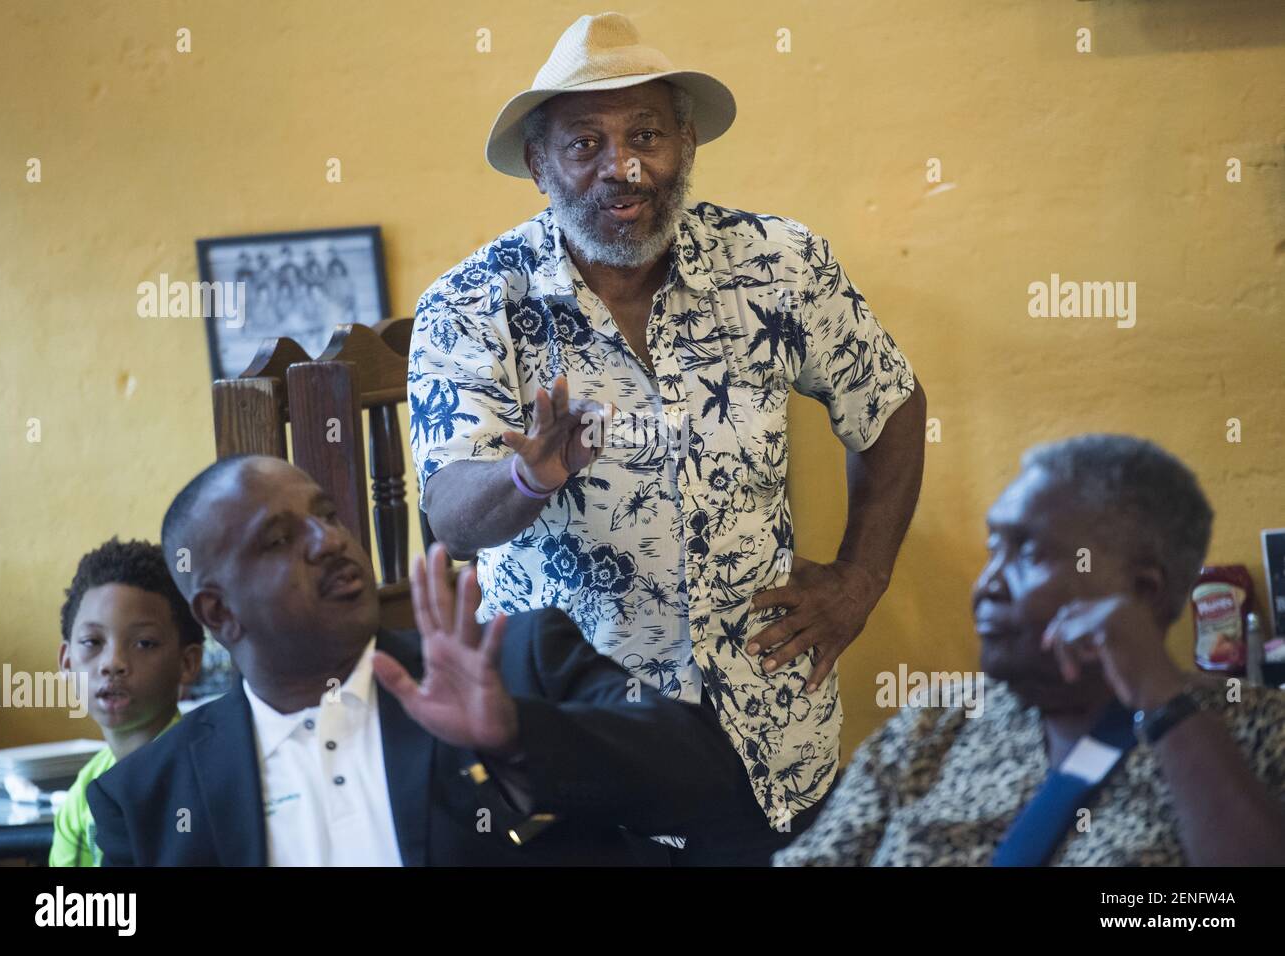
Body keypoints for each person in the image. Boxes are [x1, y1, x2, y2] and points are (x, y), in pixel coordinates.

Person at [409, 11, 925, 863]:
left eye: (646, 133)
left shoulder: (777, 264)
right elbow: (454, 519)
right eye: (585, 144)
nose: (625, 167)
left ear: (686, 141)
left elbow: (892, 405)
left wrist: (863, 577)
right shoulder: (472, 304)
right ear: (539, 163)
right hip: (578, 745)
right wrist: (531, 477)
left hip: (769, 734)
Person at [87, 455, 739, 866]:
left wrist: (517, 735)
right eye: (280, 540)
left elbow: (709, 780)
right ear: (218, 614)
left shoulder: (512, 663)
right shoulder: (148, 799)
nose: (329, 540)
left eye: (328, 515)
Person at [773, 434, 1285, 866]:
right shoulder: (933, 727)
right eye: (996, 549)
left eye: (1031, 553)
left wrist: (1162, 700)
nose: (988, 584)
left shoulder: (1257, 732)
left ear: (1143, 591)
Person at [50, 538, 203, 866]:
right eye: (92, 641)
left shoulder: (205, 777)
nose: (112, 663)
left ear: (188, 662)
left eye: (144, 643)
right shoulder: (83, 793)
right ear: (66, 662)